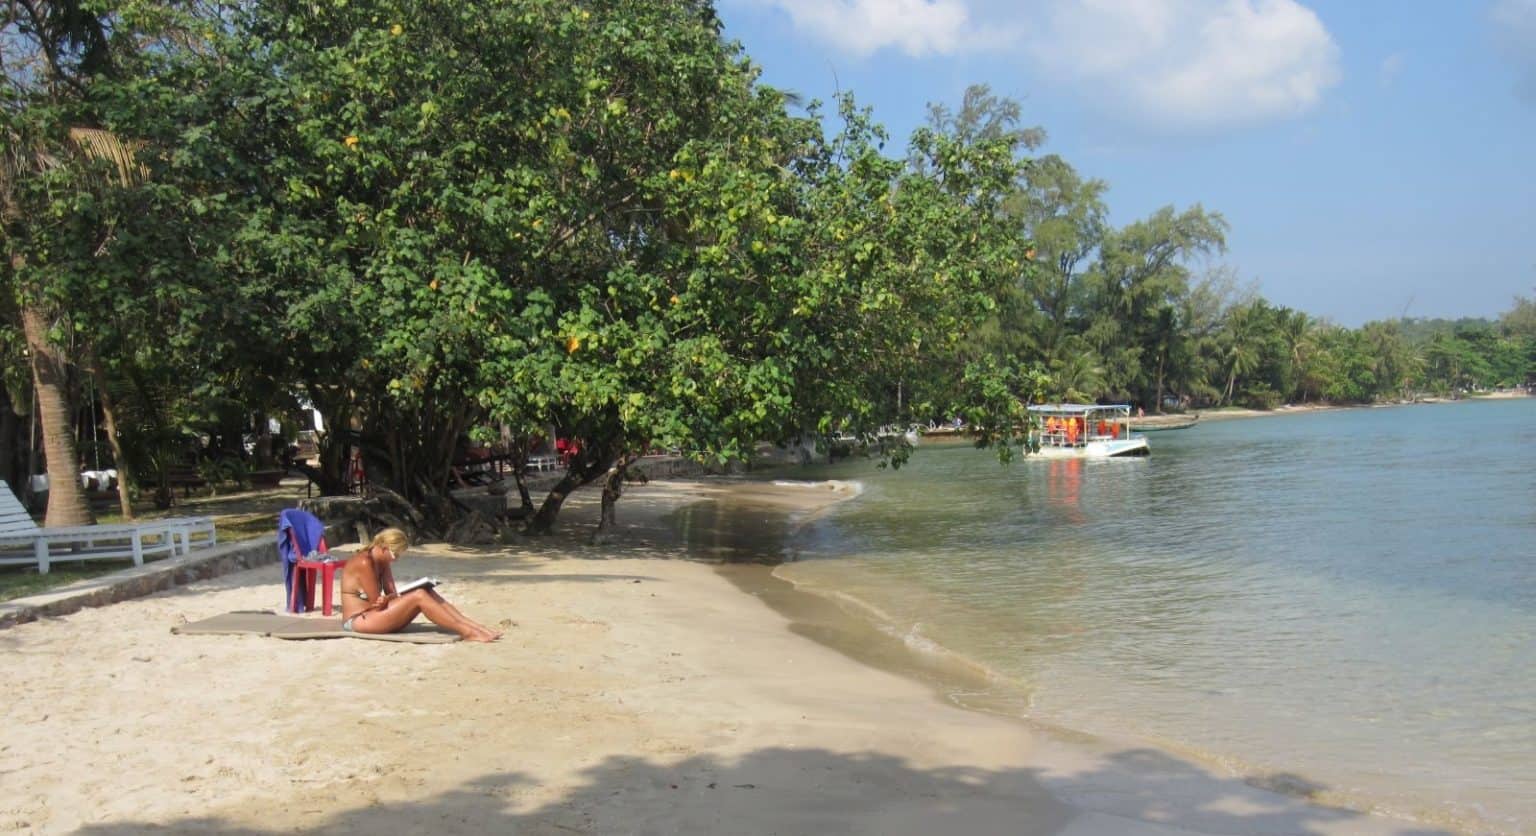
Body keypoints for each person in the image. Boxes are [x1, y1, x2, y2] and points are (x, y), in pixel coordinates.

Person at [338, 528, 500, 642]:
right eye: (395, 554)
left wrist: (400, 594)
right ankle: (467, 632)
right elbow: (375, 603)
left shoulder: (383, 561)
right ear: (384, 548)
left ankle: (474, 626)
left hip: (374, 616)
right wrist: (395, 597)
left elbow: (391, 593)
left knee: (425, 590)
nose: (396, 559)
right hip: (358, 620)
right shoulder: (365, 562)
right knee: (419, 595)